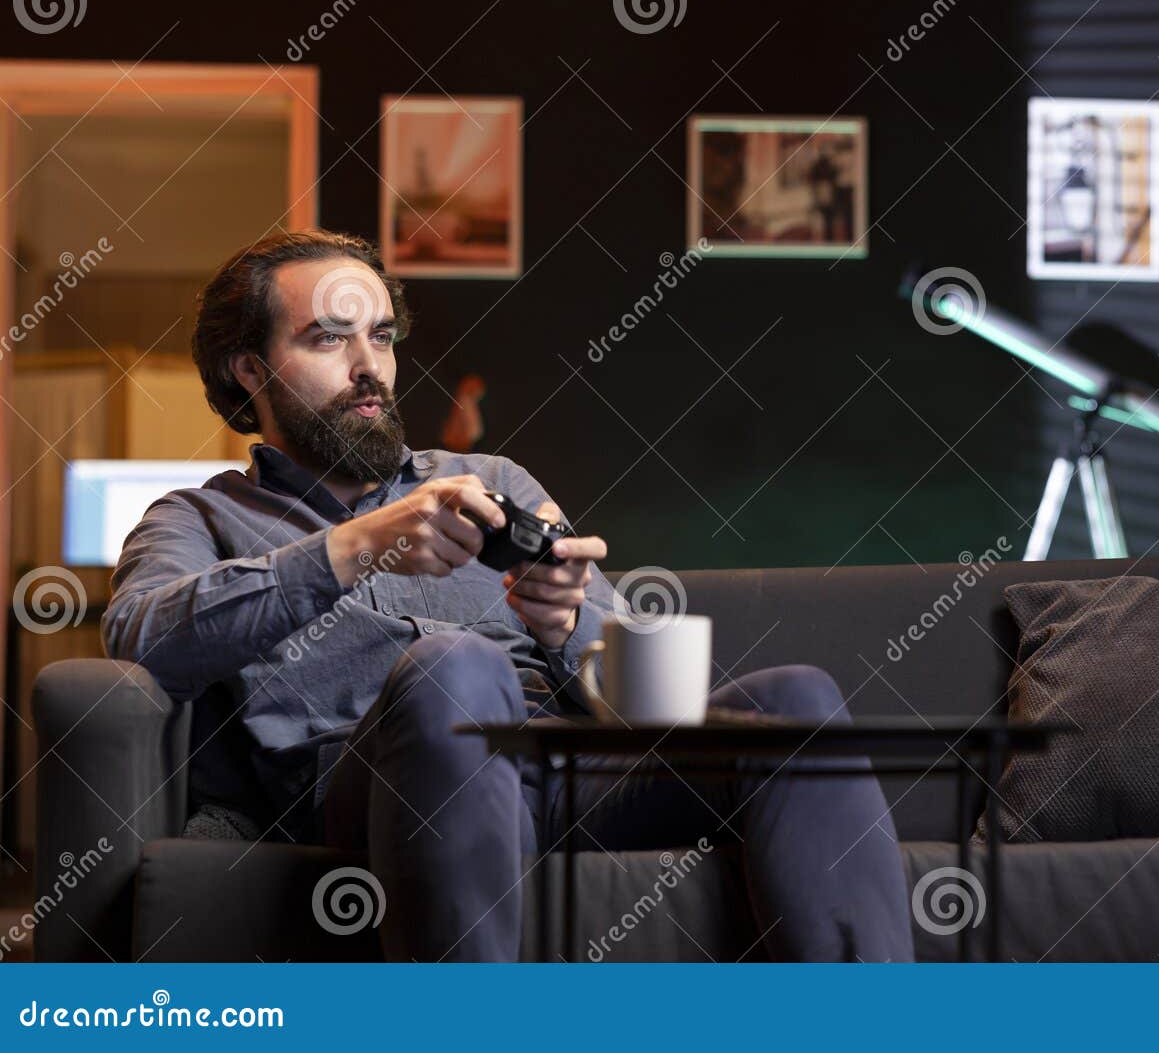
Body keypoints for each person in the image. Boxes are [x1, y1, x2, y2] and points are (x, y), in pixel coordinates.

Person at [102, 229, 914, 962]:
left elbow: (639, 693)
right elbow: (141, 637)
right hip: (381, 786)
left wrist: (567, 621)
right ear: (251, 367)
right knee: (454, 666)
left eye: (381, 337)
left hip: (562, 767)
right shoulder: (199, 516)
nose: (369, 367)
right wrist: (355, 545)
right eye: (328, 338)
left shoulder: (494, 481)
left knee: (796, 700)